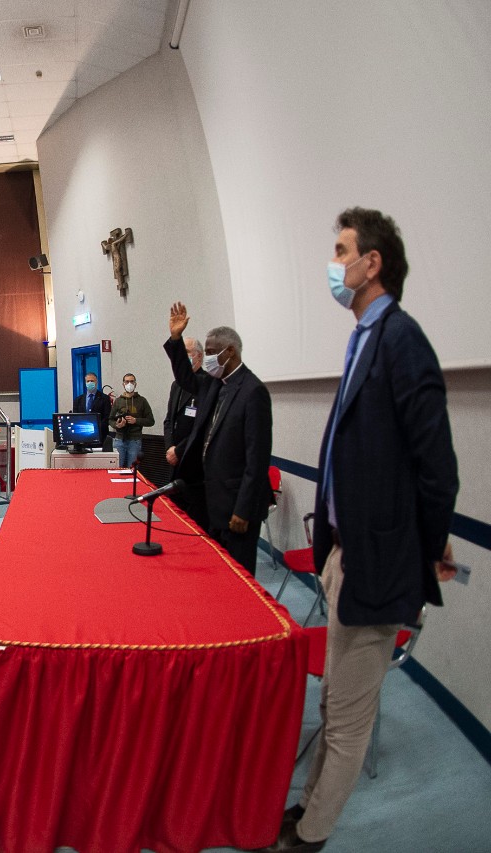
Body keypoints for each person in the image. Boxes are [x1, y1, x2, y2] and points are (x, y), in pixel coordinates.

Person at [260, 209, 460, 853]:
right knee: (334, 708)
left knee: (347, 716)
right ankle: (306, 810)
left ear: (372, 263)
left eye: (341, 250)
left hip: (381, 565)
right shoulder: (363, 339)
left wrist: (428, 549)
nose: (334, 263)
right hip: (348, 556)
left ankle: (311, 834)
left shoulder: (401, 339)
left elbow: (436, 466)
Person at [165, 303, 274, 574]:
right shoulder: (215, 384)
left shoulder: (253, 392)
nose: (209, 358)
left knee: (240, 574)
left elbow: (256, 459)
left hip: (238, 504)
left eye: (212, 353)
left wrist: (244, 510)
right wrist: (176, 339)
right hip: (212, 497)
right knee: (218, 569)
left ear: (231, 352)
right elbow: (184, 377)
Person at [163, 336, 208, 528]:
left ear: (198, 356)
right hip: (174, 464)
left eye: (186, 353)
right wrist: (170, 448)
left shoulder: (206, 384)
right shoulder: (176, 385)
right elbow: (168, 421)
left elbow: (203, 428)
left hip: (195, 467)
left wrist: (179, 451)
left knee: (195, 523)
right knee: (176, 518)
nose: (181, 358)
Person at [109, 373, 154, 469]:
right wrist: (117, 425)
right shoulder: (118, 401)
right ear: (123, 384)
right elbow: (110, 419)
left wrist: (136, 420)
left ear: (135, 384)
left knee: (133, 469)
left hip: (135, 440)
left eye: (132, 381)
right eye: (127, 381)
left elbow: (151, 421)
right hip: (119, 439)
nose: (129, 384)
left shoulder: (142, 401)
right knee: (116, 468)